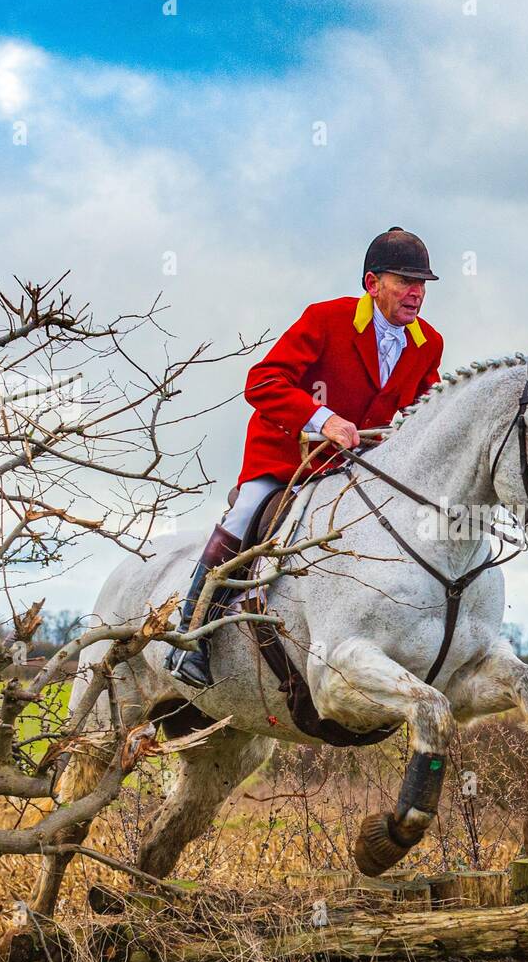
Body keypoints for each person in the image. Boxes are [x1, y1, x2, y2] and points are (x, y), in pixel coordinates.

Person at [166, 227, 444, 689]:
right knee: (244, 515)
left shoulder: (428, 342)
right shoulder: (325, 319)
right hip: (285, 459)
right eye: (404, 281)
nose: (416, 293)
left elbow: (425, 408)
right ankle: (190, 633)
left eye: (422, 285)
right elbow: (262, 381)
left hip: (357, 470)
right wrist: (324, 418)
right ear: (372, 283)